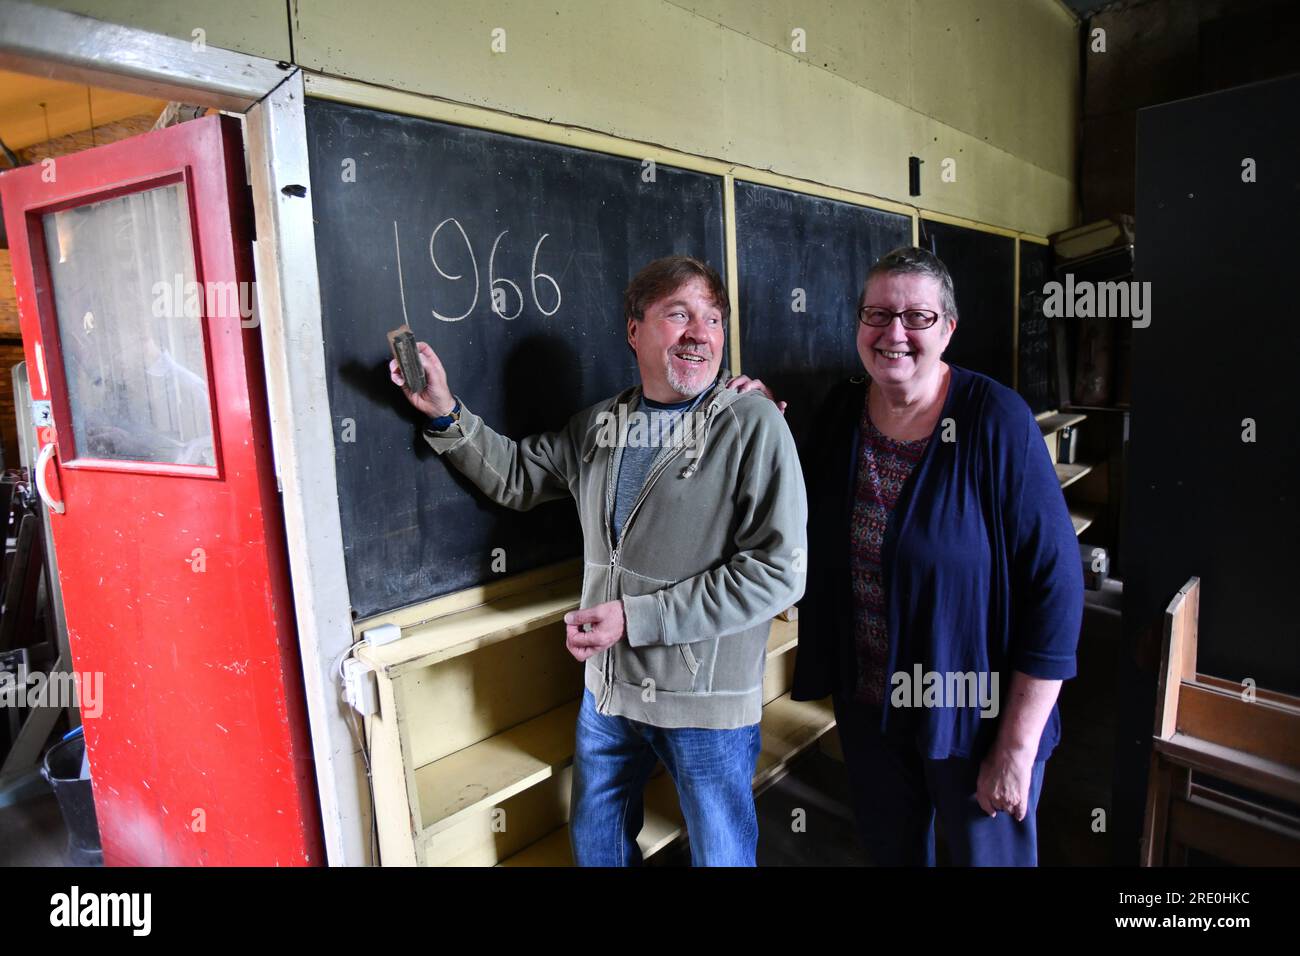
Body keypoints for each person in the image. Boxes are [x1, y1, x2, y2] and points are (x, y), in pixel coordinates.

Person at [389, 256, 807, 866]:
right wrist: (447, 414)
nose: (701, 333)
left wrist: (638, 619)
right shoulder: (600, 428)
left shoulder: (751, 424)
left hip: (704, 702)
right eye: (679, 314)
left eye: (713, 319)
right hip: (608, 692)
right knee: (598, 846)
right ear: (634, 330)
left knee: (722, 855)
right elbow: (516, 477)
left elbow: (777, 571)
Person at [791, 246, 1082, 866]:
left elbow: (1056, 587)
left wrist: (1016, 746)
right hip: (872, 711)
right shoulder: (841, 413)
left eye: (917, 317)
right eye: (877, 314)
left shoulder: (995, 420)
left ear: (948, 328)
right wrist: (748, 406)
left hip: (976, 717)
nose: (893, 332)